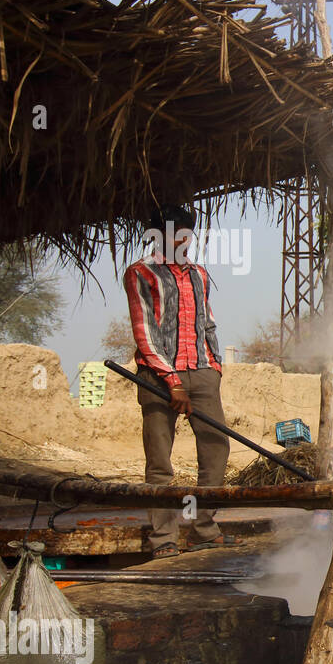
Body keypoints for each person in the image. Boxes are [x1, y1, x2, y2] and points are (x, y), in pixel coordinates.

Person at [123, 205, 236, 559]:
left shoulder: (199, 275)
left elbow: (209, 323)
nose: (184, 239)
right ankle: (164, 540)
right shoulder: (140, 273)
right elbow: (145, 331)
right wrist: (172, 382)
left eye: (188, 233)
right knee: (160, 461)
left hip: (201, 372)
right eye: (176, 233)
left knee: (216, 448)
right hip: (158, 376)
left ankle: (204, 528)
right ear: (157, 236)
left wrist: (214, 366)